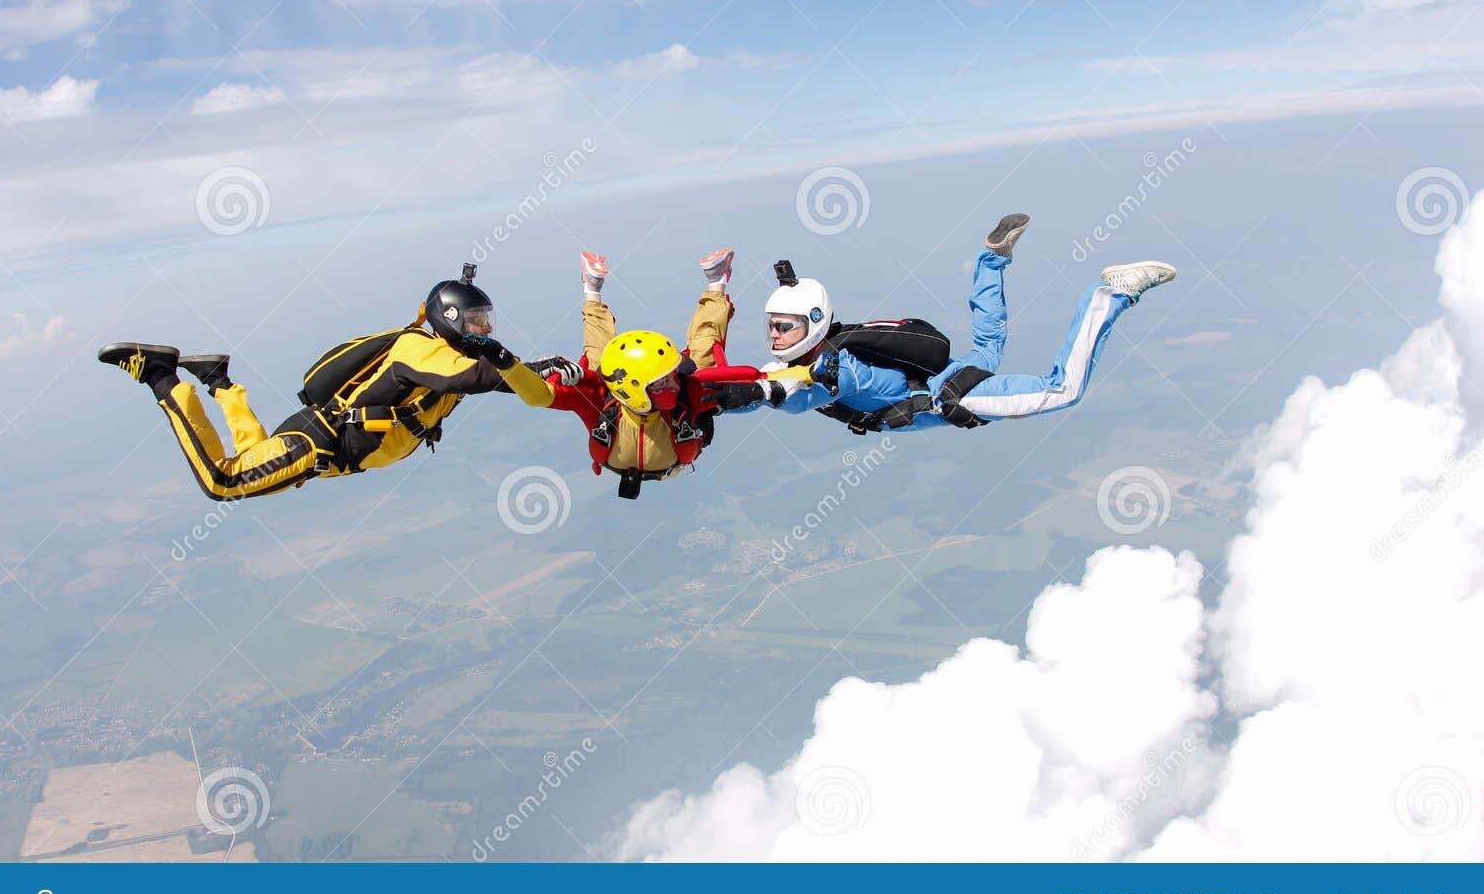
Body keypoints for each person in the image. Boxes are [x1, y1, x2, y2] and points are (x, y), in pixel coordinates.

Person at [98, 266, 579, 500]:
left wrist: (549, 369)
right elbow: (480, 377)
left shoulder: (443, 353)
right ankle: (161, 376)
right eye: (477, 321)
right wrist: (522, 368)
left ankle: (218, 380)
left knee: (253, 453)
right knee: (223, 481)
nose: (487, 330)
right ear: (450, 318)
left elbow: (494, 379)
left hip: (319, 441)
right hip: (318, 443)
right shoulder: (420, 349)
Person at [707, 214, 1177, 430]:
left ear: (812, 323)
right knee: (989, 343)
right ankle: (991, 260)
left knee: (1063, 390)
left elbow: (792, 393)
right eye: (771, 324)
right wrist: (725, 398)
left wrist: (757, 394)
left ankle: (1112, 294)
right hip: (944, 375)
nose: (774, 334)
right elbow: (765, 380)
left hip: (950, 393)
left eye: (784, 326)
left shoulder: (832, 368)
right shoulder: (826, 349)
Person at [536, 248, 760, 498]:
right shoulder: (685, 397)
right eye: (664, 382)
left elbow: (543, 393)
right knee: (702, 350)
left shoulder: (601, 401)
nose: (675, 385)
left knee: (599, 360)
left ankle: (592, 288)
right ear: (637, 390)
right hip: (652, 428)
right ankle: (715, 279)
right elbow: (749, 381)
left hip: (630, 426)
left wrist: (544, 373)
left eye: (672, 377)